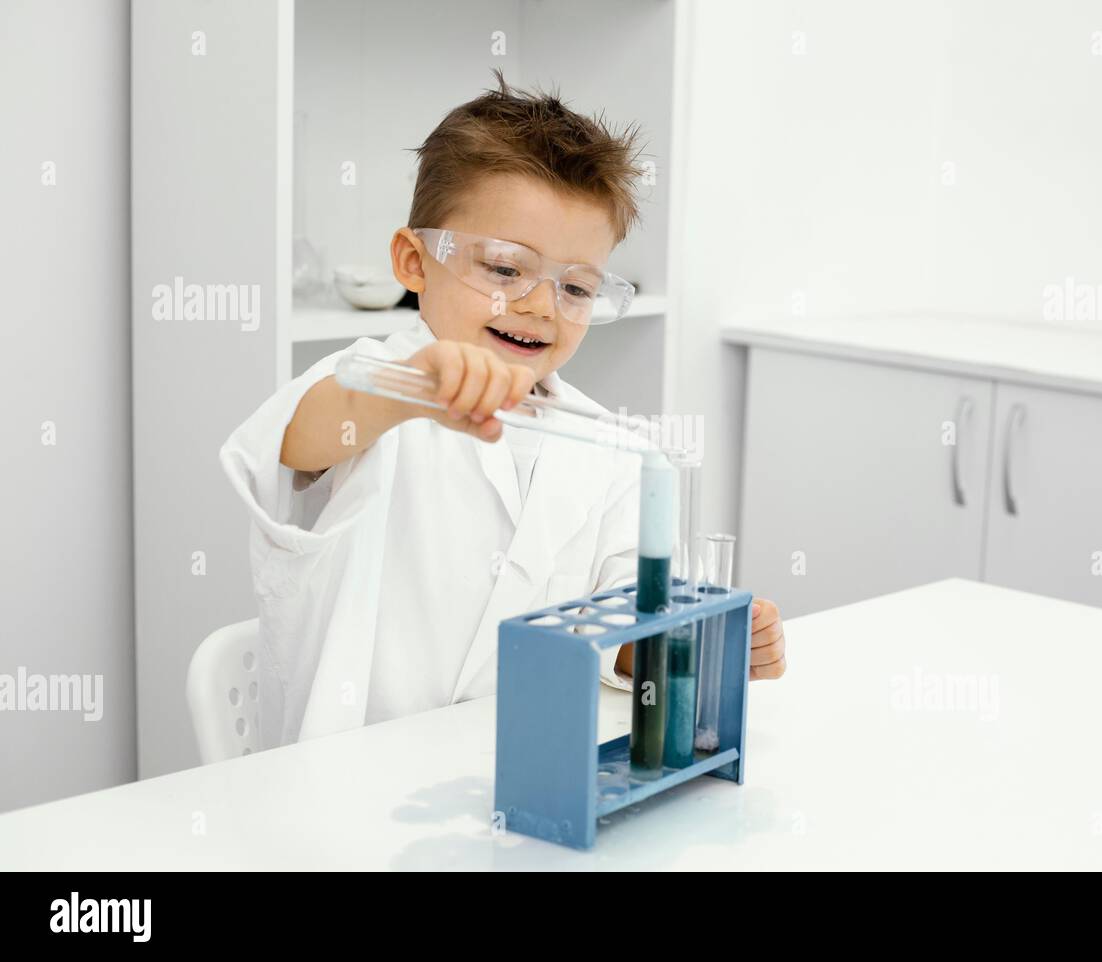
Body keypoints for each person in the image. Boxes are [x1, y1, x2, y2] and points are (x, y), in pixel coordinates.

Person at [220, 72, 785, 748]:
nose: (541, 306)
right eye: (505, 269)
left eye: (576, 286)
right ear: (413, 261)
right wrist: (411, 389)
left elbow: (617, 636)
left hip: (515, 781)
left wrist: (698, 642)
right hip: (347, 794)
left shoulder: (608, 447)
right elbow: (296, 445)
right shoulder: (372, 384)